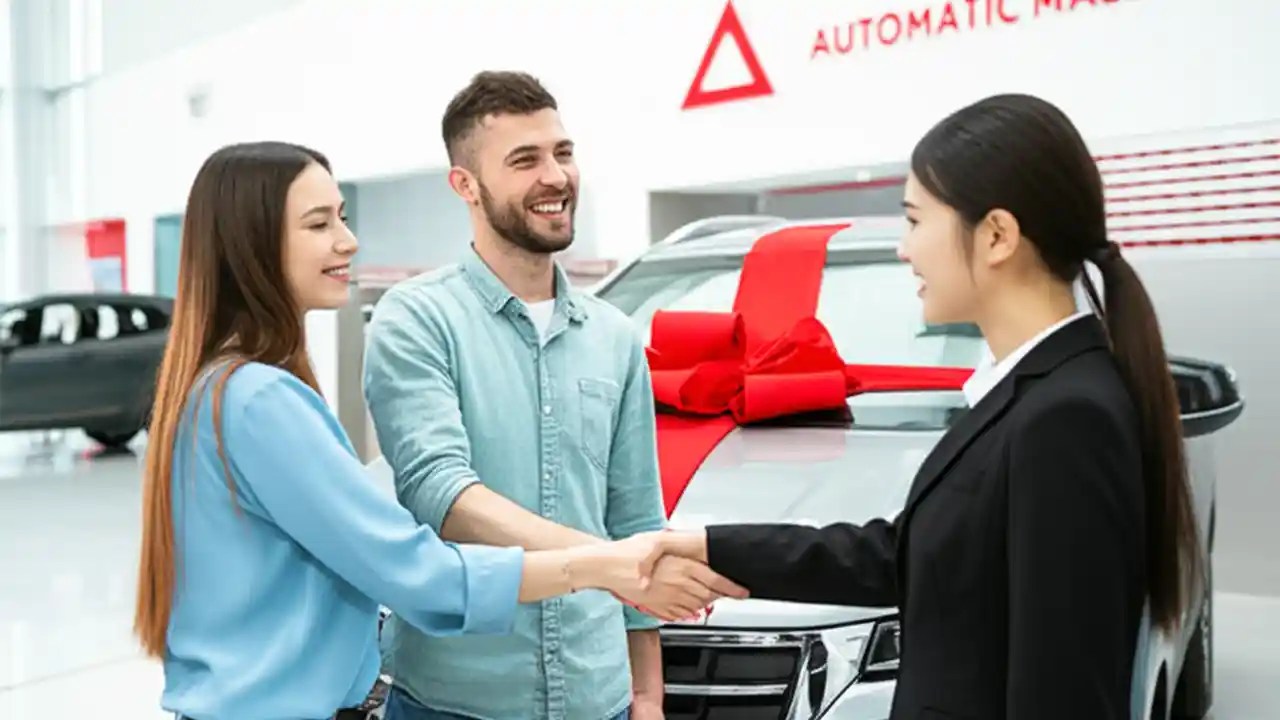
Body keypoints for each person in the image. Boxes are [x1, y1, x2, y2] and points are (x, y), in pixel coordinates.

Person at [639, 93, 1205, 720]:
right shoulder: (1030, 395)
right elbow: (899, 556)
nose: (906, 250)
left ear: (996, 236)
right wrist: (712, 546)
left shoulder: (1066, 420)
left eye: (914, 221)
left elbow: (1064, 693)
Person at [131, 141, 700, 720]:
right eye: (318, 223)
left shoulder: (214, 389)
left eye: (343, 218)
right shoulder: (260, 400)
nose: (347, 242)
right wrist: (601, 566)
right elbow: (420, 573)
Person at [362, 70, 743, 720]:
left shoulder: (615, 337)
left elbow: (634, 514)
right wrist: (610, 563)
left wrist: (646, 694)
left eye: (563, 153)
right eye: (524, 160)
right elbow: (444, 495)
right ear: (466, 186)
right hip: (456, 700)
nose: (556, 177)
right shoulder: (417, 319)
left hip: (599, 698)